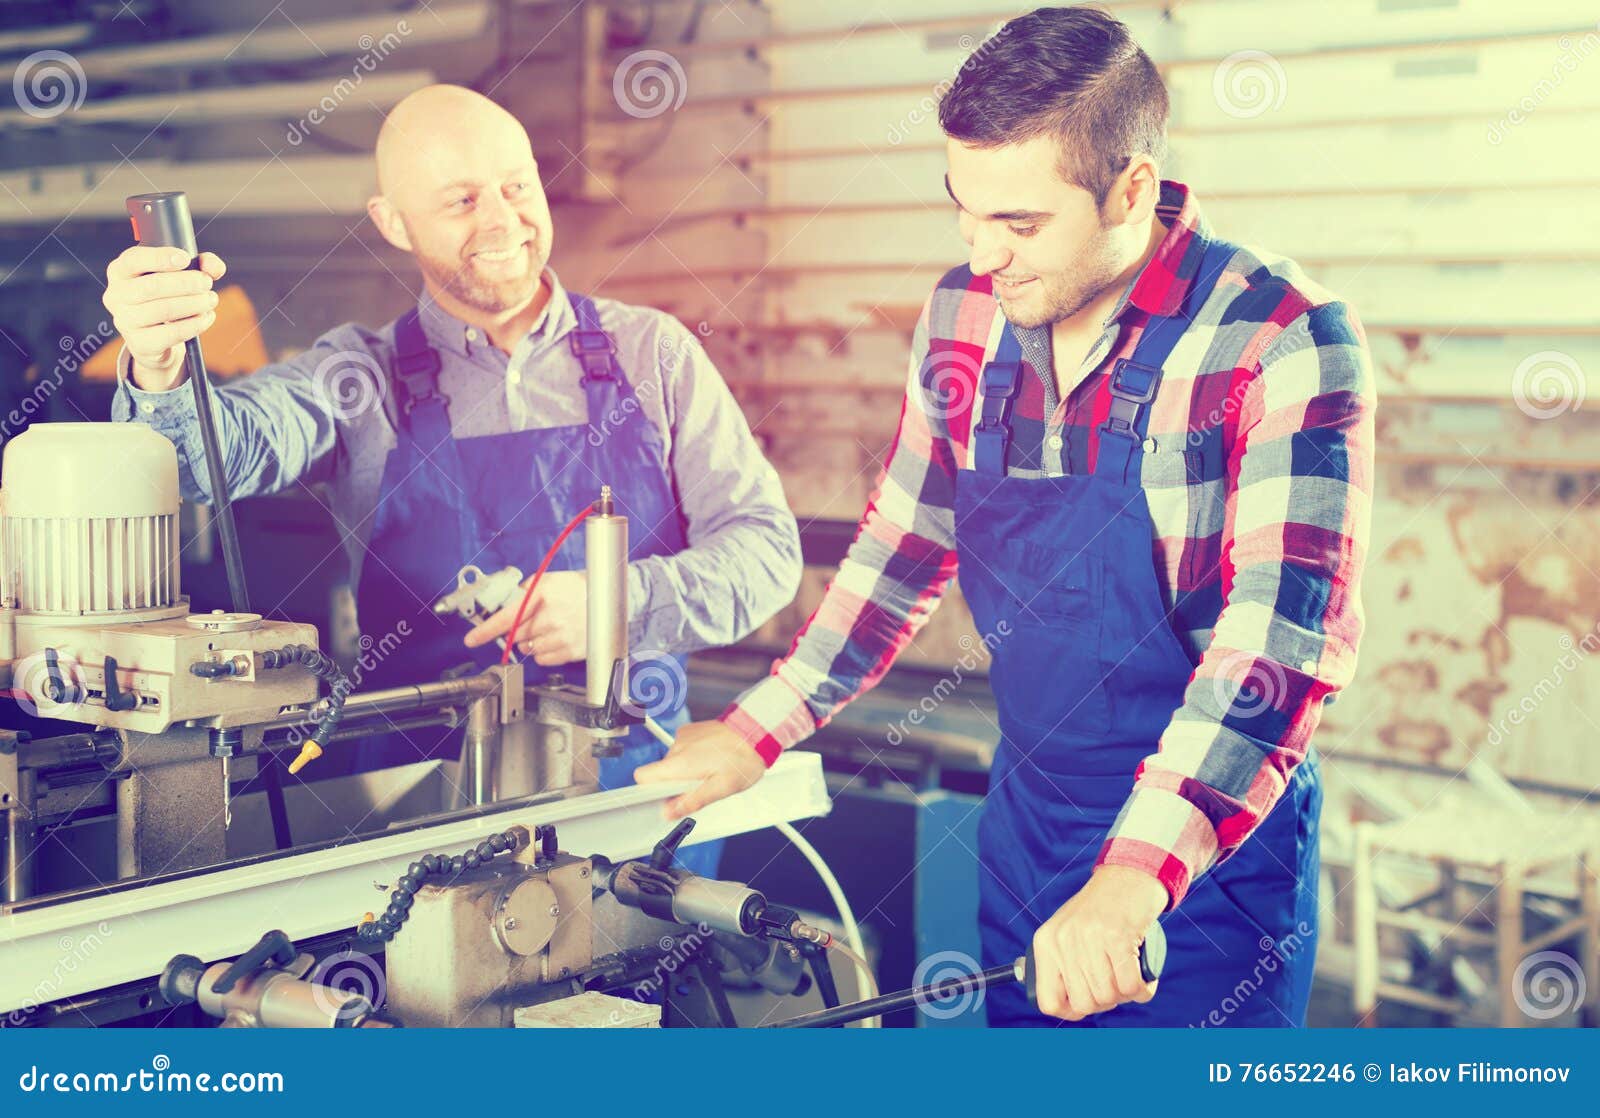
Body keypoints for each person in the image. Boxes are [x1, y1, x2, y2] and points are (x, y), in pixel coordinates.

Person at [637, 7, 1375, 1024]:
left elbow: (1276, 649)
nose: (982, 255)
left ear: (1132, 189)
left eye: (1020, 225)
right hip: (1027, 833)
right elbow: (903, 544)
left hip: (1204, 871)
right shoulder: (964, 317)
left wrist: (1130, 880)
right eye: (964, 213)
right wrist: (761, 727)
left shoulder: (1279, 338)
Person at [102, 85, 801, 875]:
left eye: (517, 186)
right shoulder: (360, 377)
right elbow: (207, 460)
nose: (502, 220)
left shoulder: (655, 355)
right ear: (394, 223)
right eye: (462, 199)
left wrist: (618, 604)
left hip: (636, 802)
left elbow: (767, 554)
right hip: (425, 813)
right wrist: (159, 364)